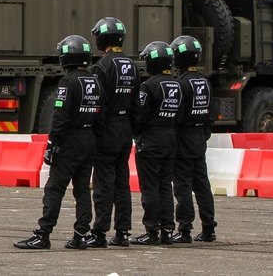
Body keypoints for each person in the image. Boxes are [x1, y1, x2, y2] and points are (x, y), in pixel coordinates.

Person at [15, 35, 102, 251]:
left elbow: (60, 115)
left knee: (54, 189)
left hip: (70, 141)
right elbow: (101, 115)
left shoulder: (68, 82)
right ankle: (81, 234)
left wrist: (52, 144)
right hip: (89, 140)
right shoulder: (95, 81)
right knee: (82, 190)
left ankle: (43, 234)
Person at [86, 17, 139, 249]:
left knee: (103, 182)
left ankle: (99, 231)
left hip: (107, 128)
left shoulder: (102, 66)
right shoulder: (132, 66)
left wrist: (95, 132)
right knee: (122, 182)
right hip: (125, 128)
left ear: (102, 38)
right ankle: (123, 232)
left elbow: (99, 103)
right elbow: (137, 104)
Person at [131, 40, 181, 245]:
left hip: (150, 141)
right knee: (165, 186)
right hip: (170, 139)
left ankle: (151, 230)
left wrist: (136, 133)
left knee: (150, 186)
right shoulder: (177, 84)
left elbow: (139, 116)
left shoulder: (148, 86)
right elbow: (181, 114)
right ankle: (168, 229)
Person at [170, 35, 218, 243]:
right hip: (199, 138)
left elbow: (177, 115)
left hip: (183, 137)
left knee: (182, 185)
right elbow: (211, 114)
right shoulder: (205, 82)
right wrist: (204, 134)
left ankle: (185, 229)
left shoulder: (180, 84)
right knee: (202, 185)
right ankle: (208, 228)